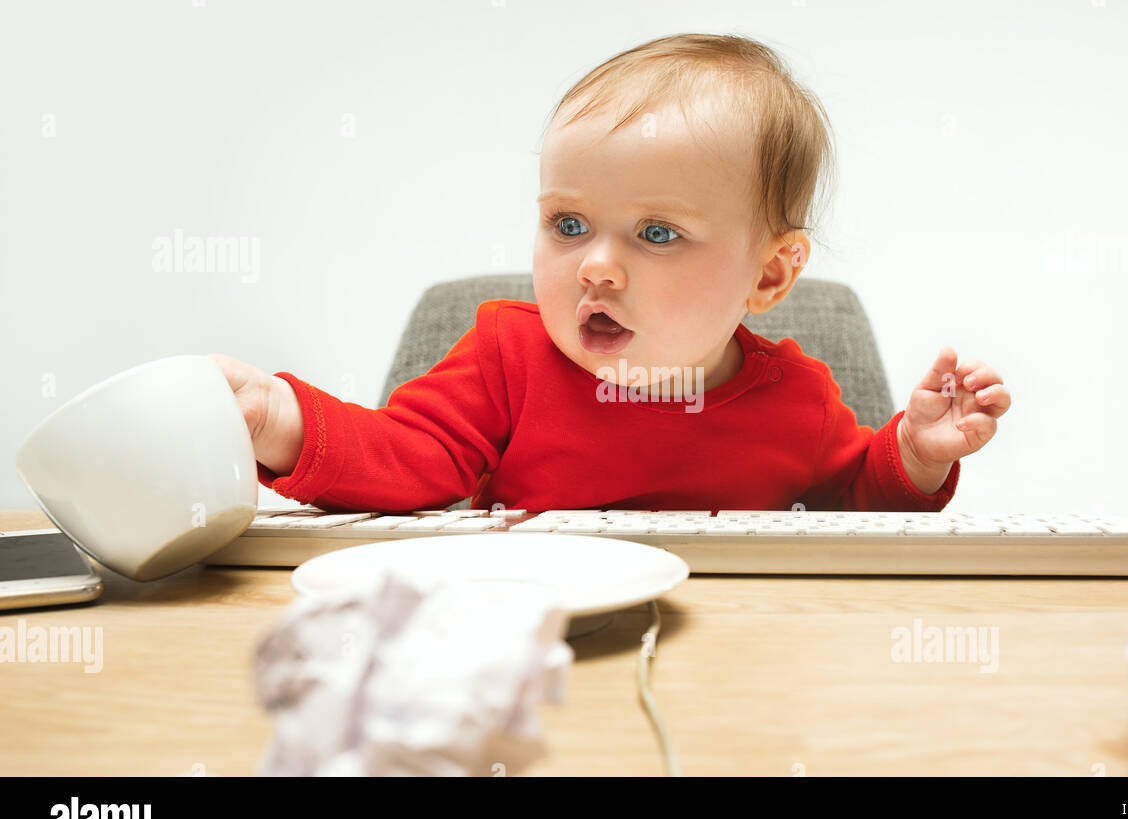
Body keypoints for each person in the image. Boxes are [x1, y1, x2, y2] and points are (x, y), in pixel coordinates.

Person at [209, 33, 1011, 513]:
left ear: (769, 276)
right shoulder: (506, 358)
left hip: (736, 659)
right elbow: (401, 454)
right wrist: (281, 417)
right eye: (568, 224)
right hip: (544, 647)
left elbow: (856, 504)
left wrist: (916, 452)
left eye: (656, 232)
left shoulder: (797, 401)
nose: (595, 265)